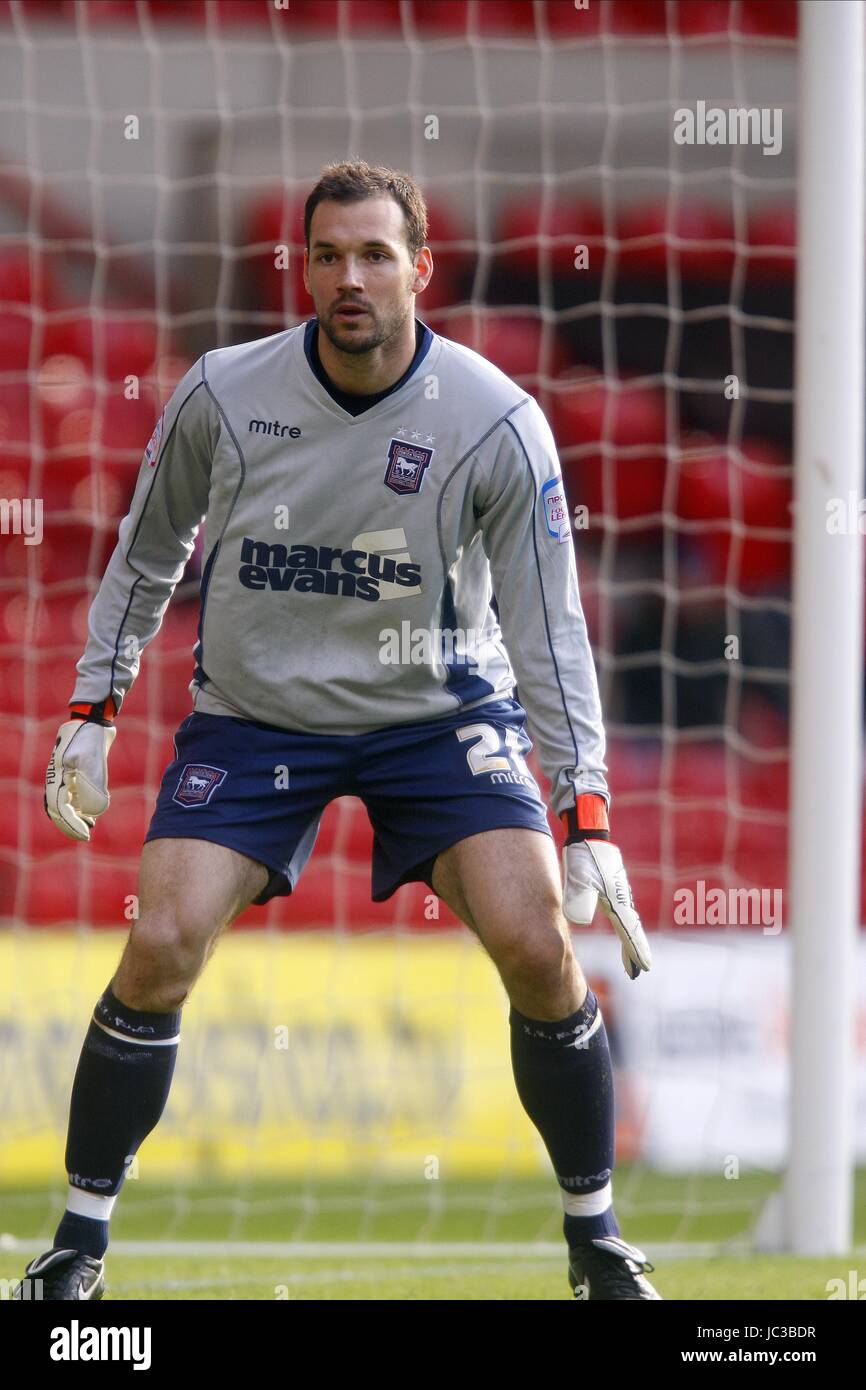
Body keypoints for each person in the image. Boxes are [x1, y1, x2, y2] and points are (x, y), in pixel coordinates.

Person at [18, 160, 658, 1302]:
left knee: (536, 945)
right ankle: (75, 1247)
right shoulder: (221, 392)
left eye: (372, 255)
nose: (348, 278)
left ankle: (596, 1242)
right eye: (326, 256)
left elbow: (550, 628)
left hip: (440, 714)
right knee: (159, 940)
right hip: (259, 714)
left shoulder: (496, 421)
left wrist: (586, 810)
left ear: (420, 269)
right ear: (300, 267)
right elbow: (145, 551)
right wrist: (92, 705)